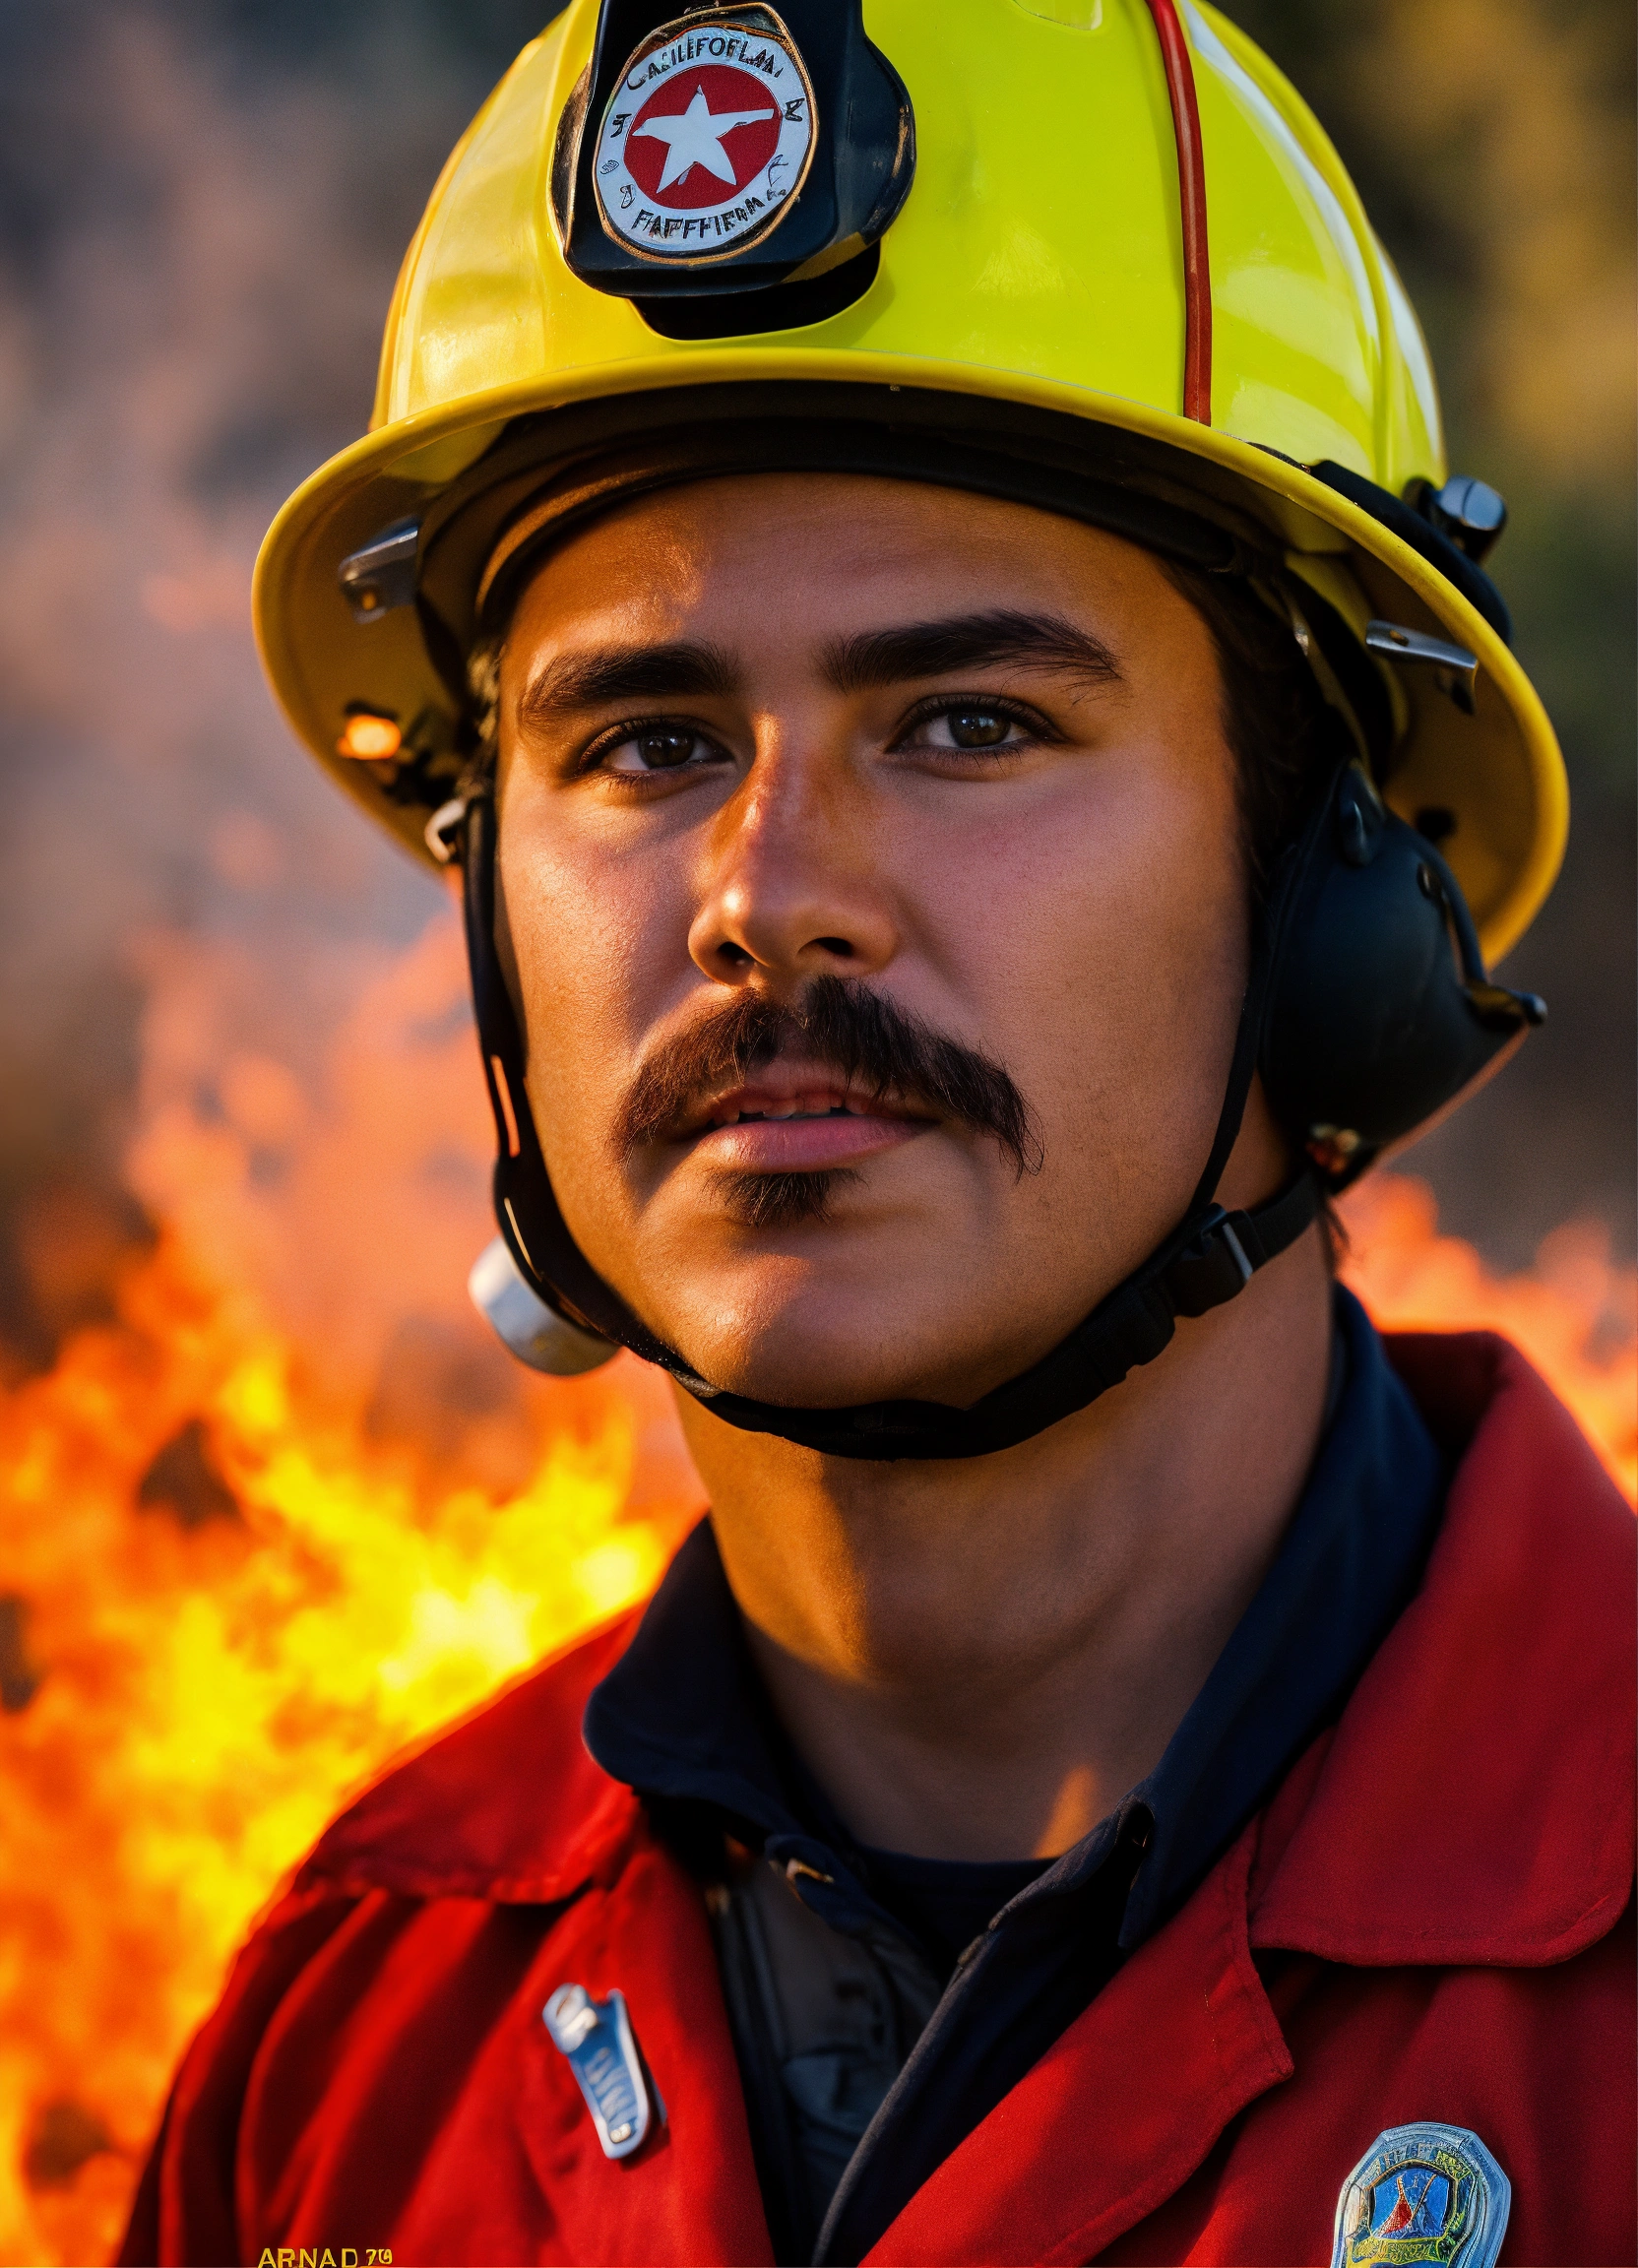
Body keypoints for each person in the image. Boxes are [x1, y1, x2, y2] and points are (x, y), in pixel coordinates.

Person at [122, 2, 1634, 2263]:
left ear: (1343, 899)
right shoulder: (357, 2038)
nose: (764, 897)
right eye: (641, 745)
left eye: (964, 719)